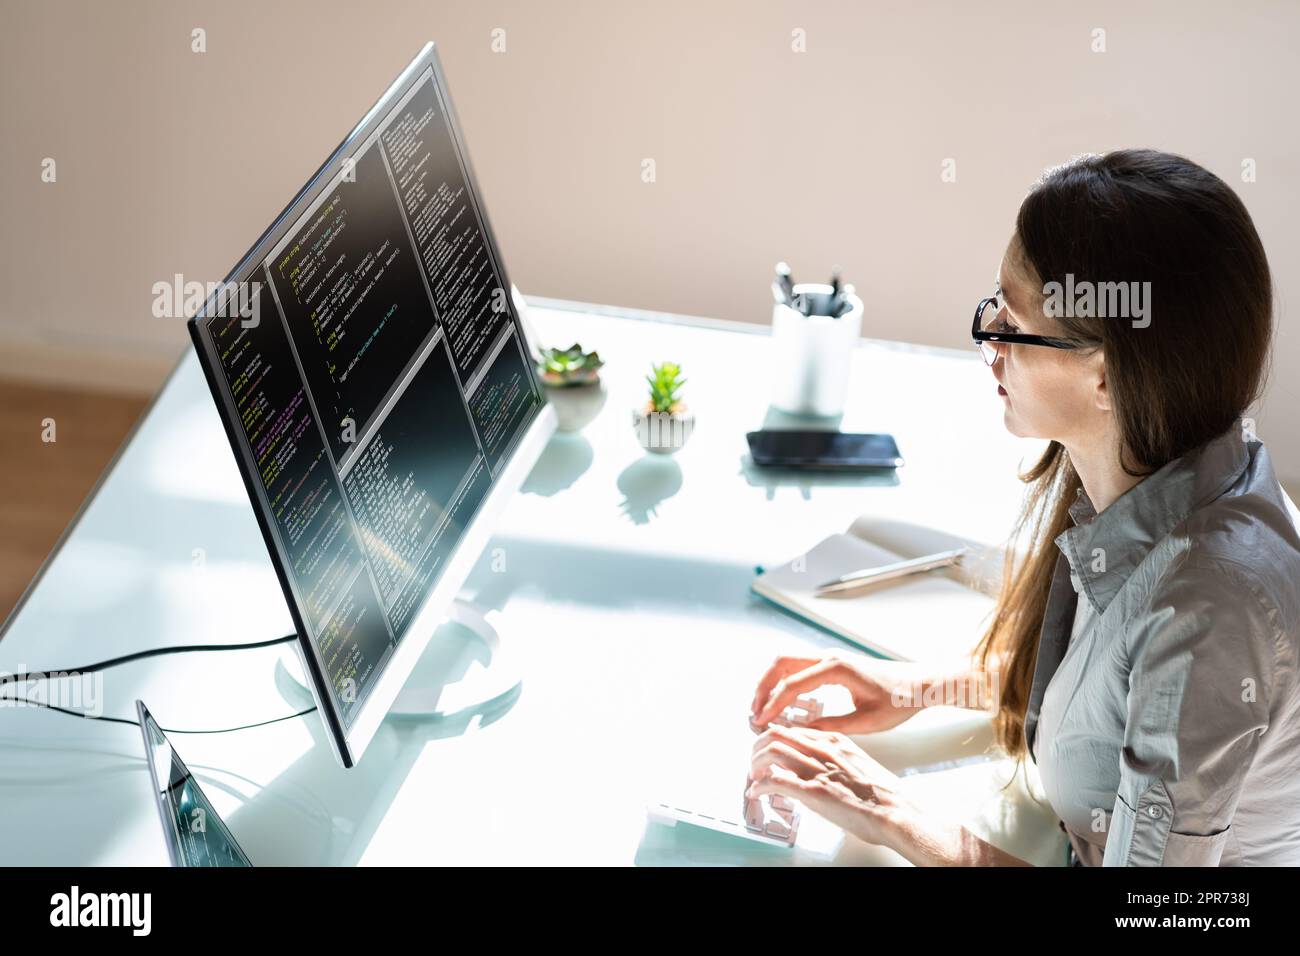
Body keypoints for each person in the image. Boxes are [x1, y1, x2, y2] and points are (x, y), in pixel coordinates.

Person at [745, 149, 1300, 866]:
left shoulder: (1208, 611)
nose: (989, 341)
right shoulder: (1160, 475)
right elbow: (1110, 692)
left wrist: (884, 810)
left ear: (1106, 376)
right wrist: (924, 685)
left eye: (1010, 322)